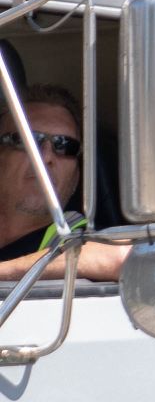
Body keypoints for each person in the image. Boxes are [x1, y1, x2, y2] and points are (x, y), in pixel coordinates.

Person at [0, 75, 126, 282]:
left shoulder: (86, 236)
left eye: (65, 146)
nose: (47, 156)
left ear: (76, 177)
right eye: (27, 140)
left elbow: (116, 258)